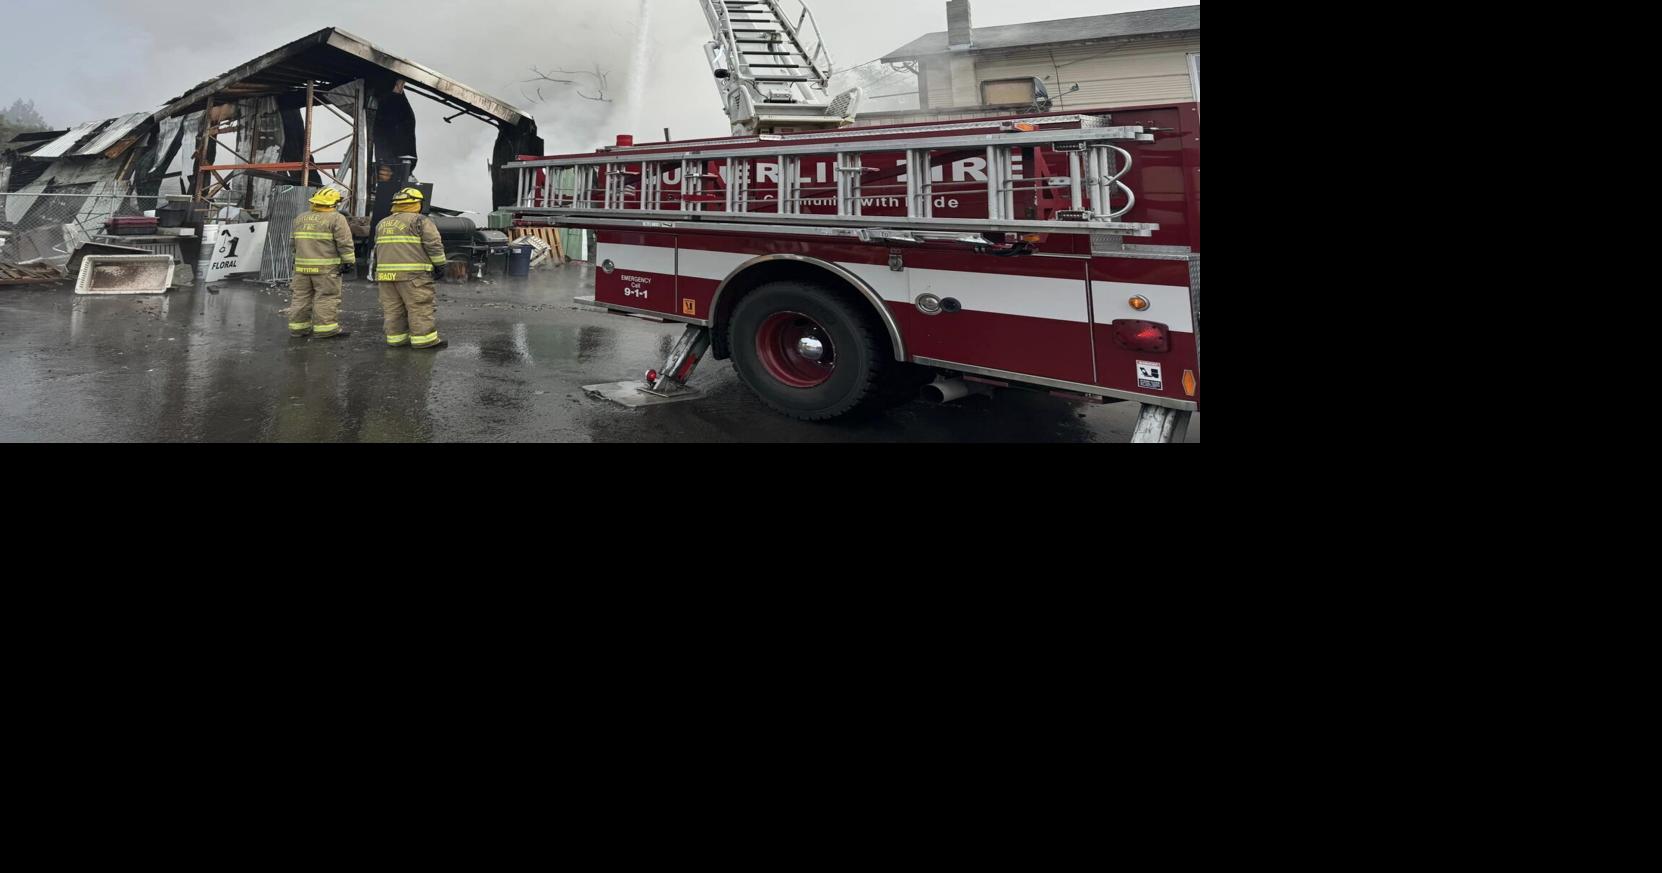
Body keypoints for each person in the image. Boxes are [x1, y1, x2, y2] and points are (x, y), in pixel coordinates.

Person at [372, 187, 448, 350]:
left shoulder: (382, 223)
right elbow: (433, 245)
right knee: (419, 306)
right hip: (413, 276)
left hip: (385, 276)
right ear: (417, 203)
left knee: (393, 308)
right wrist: (440, 264)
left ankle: (396, 339)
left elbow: (377, 248)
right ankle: (424, 340)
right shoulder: (420, 221)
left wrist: (375, 270)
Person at [286, 187, 356, 339]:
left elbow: (292, 243)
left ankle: (298, 329)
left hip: (301, 268)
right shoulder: (336, 218)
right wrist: (348, 262)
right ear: (333, 203)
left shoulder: (300, 218)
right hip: (326, 269)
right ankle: (325, 329)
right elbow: (344, 242)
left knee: (300, 297)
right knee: (326, 297)